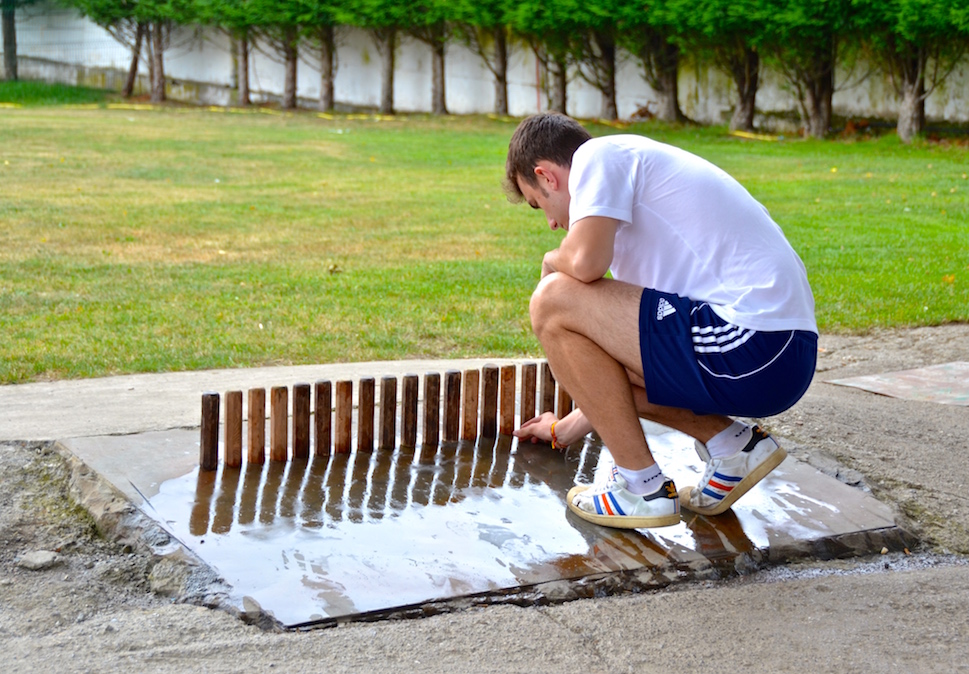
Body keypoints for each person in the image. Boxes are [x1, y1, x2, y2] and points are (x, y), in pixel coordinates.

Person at [507, 112, 818, 529]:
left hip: (752, 343)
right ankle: (733, 446)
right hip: (777, 353)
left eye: (538, 203)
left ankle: (641, 489)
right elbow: (611, 374)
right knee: (578, 315)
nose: (550, 222)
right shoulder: (630, 199)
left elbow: (583, 263)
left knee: (551, 299)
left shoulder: (597, 156)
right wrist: (563, 430)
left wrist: (550, 261)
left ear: (546, 176)